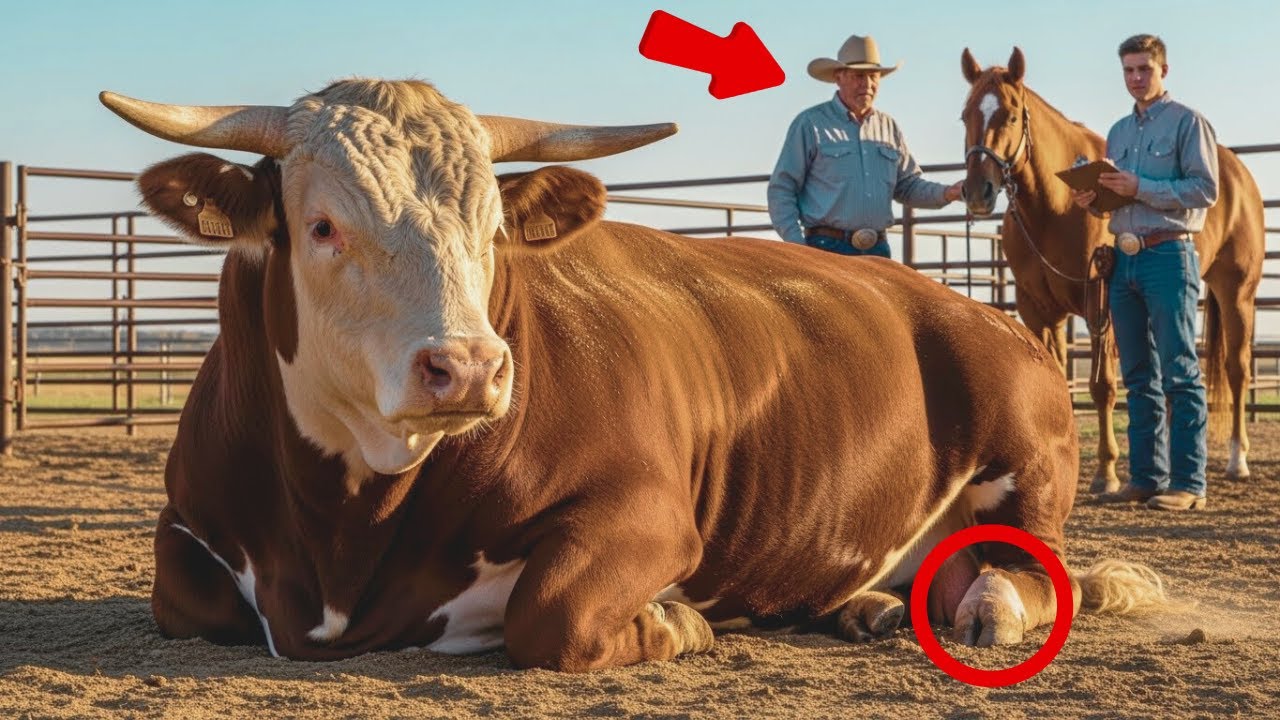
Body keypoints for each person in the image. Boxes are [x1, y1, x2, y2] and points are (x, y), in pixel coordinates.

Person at [1071, 34, 1218, 511]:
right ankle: (1146, 478)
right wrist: (1093, 201)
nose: (1136, 78)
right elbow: (1118, 201)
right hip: (1125, 256)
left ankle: (1189, 484)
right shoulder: (1117, 132)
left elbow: (1205, 190)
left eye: (1144, 70)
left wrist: (1141, 186)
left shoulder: (1187, 123)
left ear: (1163, 71)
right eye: (1129, 71)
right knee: (1136, 374)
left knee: (1179, 370)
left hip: (1169, 256)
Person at [767, 34, 962, 258]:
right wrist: (797, 245)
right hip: (825, 248)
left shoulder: (889, 127)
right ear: (838, 77)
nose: (867, 84)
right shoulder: (811, 124)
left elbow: (907, 186)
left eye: (873, 76)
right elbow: (782, 188)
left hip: (877, 249)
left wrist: (949, 193)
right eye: (859, 75)